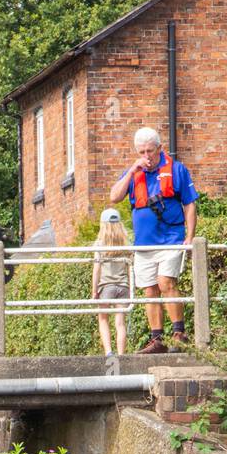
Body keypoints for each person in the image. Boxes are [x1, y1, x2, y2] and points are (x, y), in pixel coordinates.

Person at [108, 127, 198, 355]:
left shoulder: (177, 170)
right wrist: (131, 170)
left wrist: (189, 236)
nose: (146, 156)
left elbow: (189, 203)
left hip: (171, 239)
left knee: (166, 282)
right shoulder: (135, 173)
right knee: (149, 290)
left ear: (159, 148)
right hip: (144, 244)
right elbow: (114, 197)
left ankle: (179, 335)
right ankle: (156, 339)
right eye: (142, 151)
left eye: (150, 151)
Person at [91, 207, 132, 356]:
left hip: (106, 287)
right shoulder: (126, 244)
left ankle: (109, 352)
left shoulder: (100, 244)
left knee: (103, 319)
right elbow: (130, 268)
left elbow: (97, 269)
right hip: (123, 286)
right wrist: (131, 289)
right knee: (120, 323)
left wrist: (94, 290)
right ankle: (121, 354)